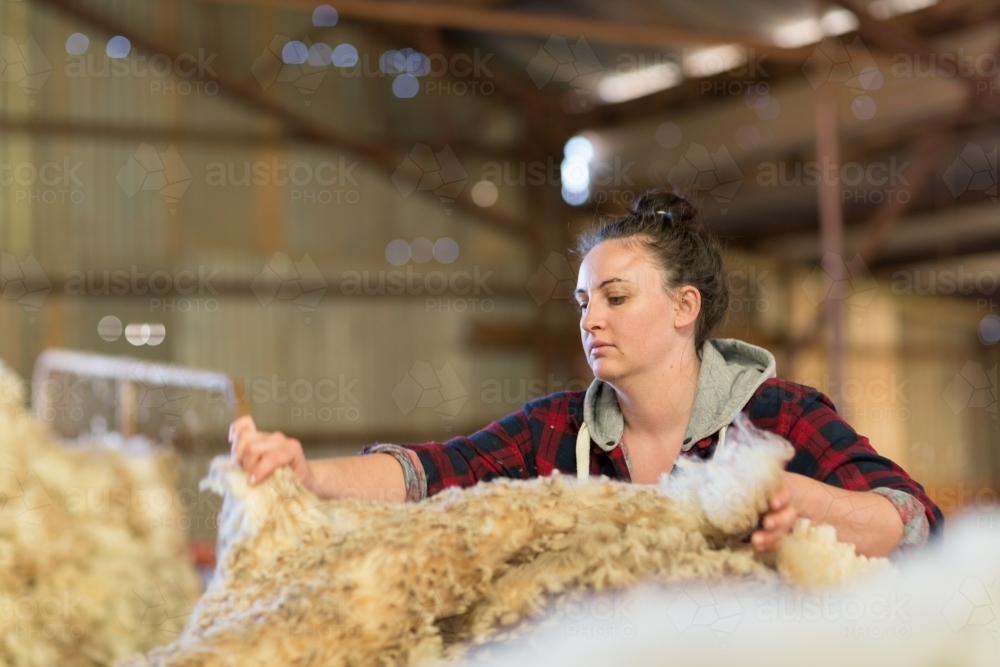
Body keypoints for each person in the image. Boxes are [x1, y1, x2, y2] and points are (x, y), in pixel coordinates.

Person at [230, 190, 943, 558]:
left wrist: (793, 497)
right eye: (583, 301)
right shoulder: (557, 431)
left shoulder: (780, 417)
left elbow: (914, 521)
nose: (590, 319)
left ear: (683, 307)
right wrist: (307, 474)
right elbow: (432, 473)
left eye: (616, 297)